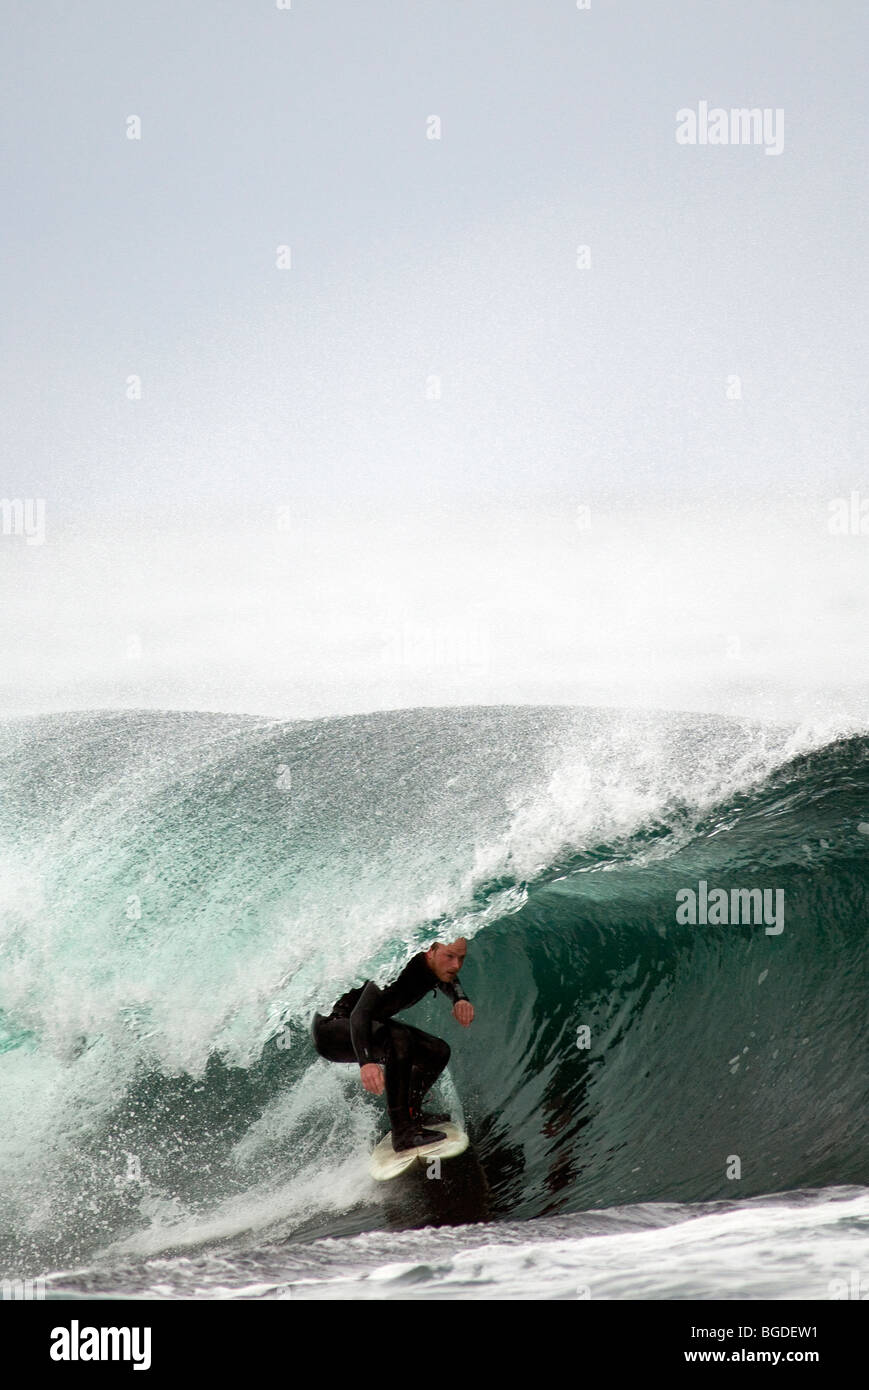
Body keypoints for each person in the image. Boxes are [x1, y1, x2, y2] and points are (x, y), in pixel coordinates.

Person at [311, 938, 474, 1152]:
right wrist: (366, 1062)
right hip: (332, 1029)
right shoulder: (396, 968)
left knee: (437, 1051)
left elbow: (448, 977)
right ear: (429, 952)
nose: (456, 965)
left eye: (461, 958)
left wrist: (459, 999)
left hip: (364, 1025)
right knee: (398, 1038)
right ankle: (403, 1132)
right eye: (449, 956)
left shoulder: (434, 966)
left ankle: (412, 1114)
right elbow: (359, 1015)